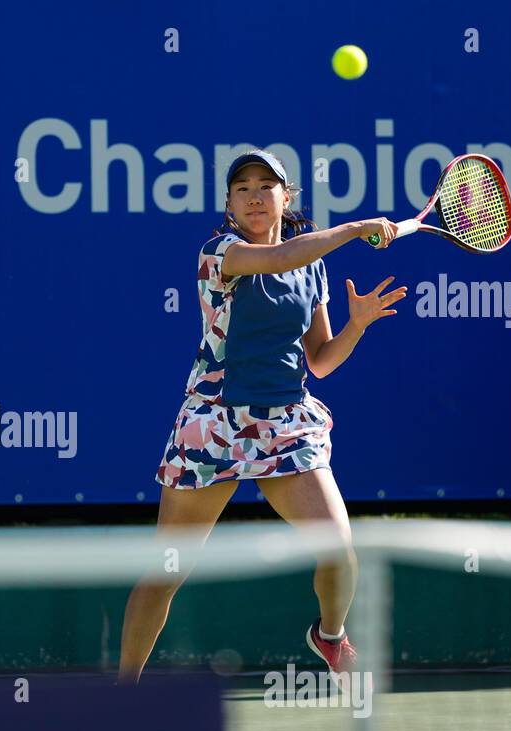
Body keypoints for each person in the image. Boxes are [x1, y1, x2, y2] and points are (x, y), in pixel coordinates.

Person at [118, 149, 405, 685]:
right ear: (229, 204)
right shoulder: (219, 252)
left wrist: (357, 324)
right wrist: (355, 229)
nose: (254, 194)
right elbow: (276, 261)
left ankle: (330, 635)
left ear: (285, 198)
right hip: (214, 423)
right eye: (242, 187)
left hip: (286, 426)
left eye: (266, 185)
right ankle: (120, 698)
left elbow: (319, 360)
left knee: (340, 553)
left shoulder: (311, 264)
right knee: (166, 575)